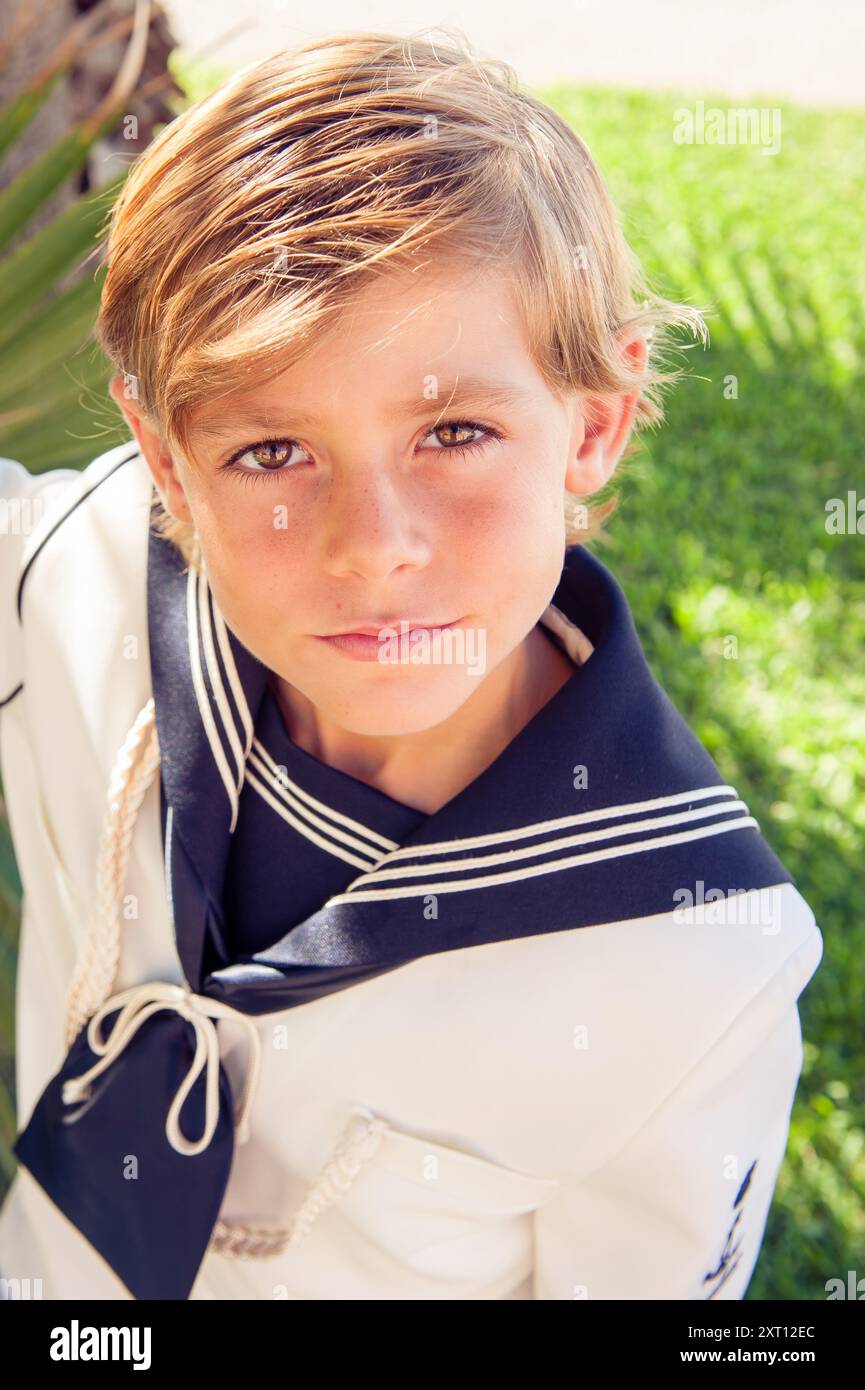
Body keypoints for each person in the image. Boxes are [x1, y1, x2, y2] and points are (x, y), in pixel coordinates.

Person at [0, 30, 822, 1301]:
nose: (372, 549)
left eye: (454, 430)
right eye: (271, 452)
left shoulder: (690, 964)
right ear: (166, 462)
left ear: (592, 425)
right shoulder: (76, 574)